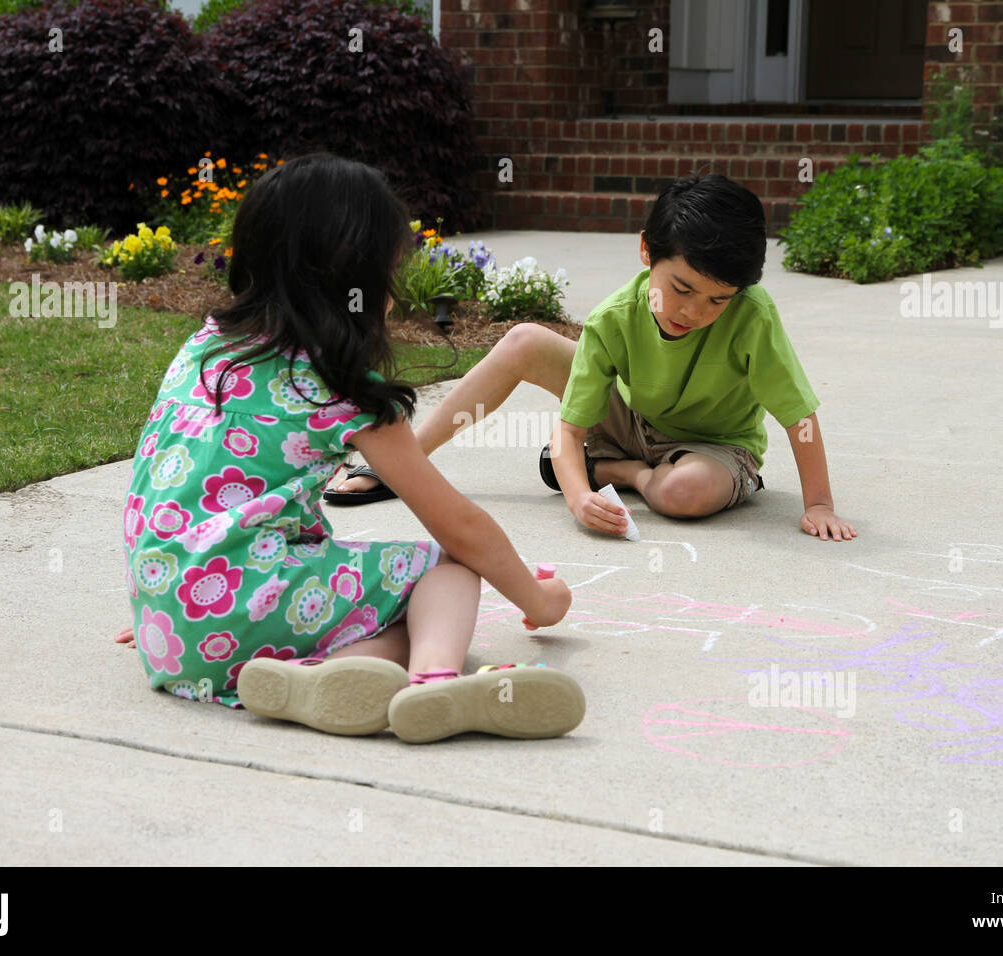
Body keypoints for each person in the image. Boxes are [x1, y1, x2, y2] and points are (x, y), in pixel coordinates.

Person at [113, 152, 583, 744]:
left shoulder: (204, 349)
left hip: (174, 629)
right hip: (248, 606)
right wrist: (540, 600)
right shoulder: (339, 390)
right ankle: (434, 684)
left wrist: (174, 592)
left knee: (396, 615)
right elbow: (461, 526)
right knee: (445, 569)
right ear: (358, 279)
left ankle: (318, 678)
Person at [327, 173, 857, 542]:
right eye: (682, 289)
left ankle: (622, 473)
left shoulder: (753, 316)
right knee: (524, 340)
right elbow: (570, 427)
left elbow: (799, 417)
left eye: (717, 299)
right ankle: (400, 461)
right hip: (628, 420)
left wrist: (818, 504)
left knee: (682, 494)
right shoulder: (614, 316)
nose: (695, 311)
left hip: (712, 448)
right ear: (648, 251)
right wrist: (579, 499)